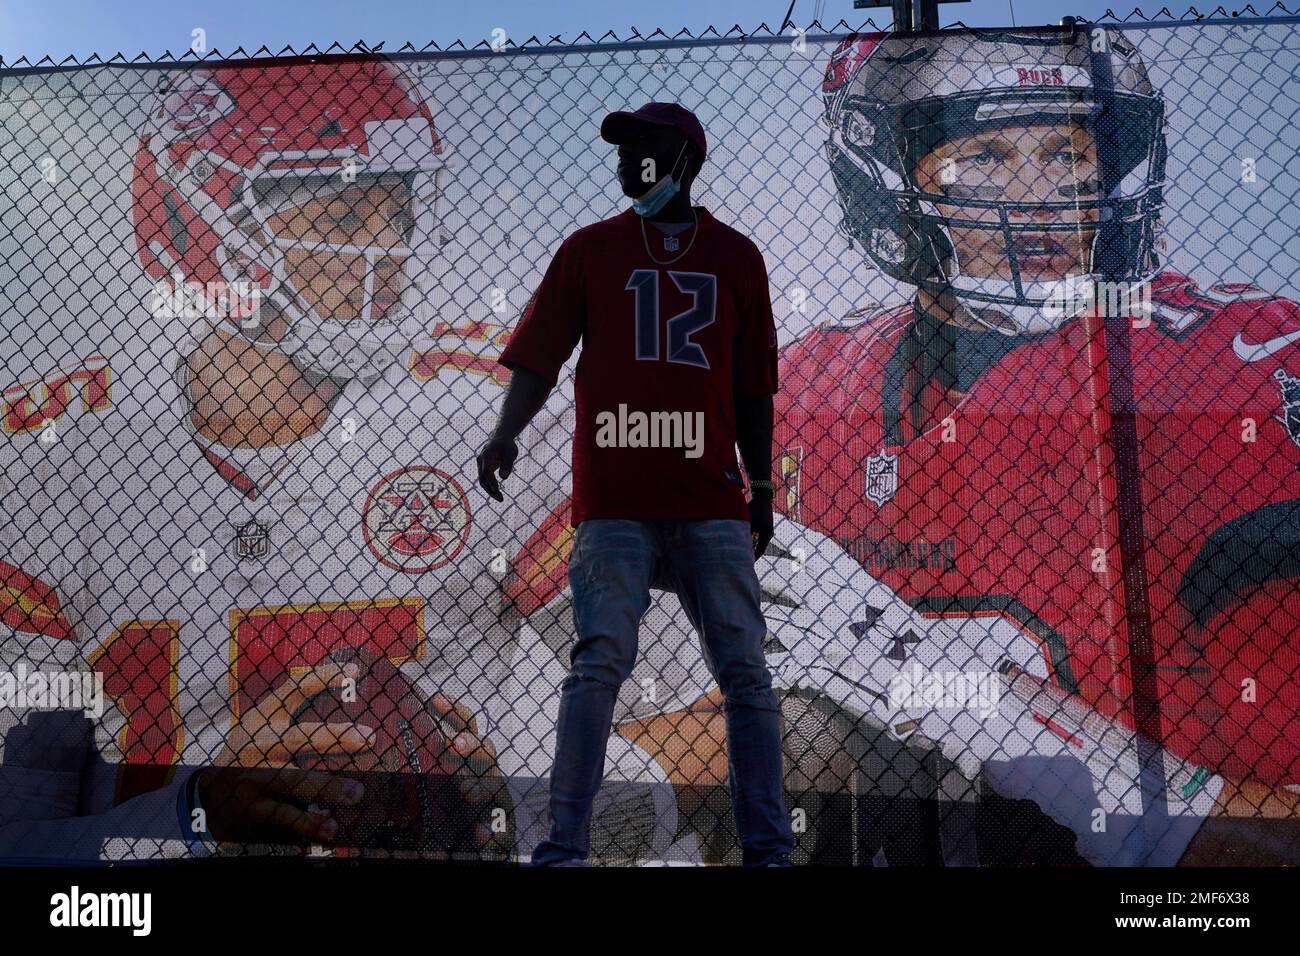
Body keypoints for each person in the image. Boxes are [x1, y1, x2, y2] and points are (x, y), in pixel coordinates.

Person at [768, 26, 1300, 862]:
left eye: (1067, 151)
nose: (1042, 196)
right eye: (983, 155)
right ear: (888, 181)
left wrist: (994, 720)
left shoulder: (1222, 372)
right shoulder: (807, 385)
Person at [478, 102, 795, 866]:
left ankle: (768, 851)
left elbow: (754, 390)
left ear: (682, 158)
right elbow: (540, 357)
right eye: (623, 151)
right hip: (615, 498)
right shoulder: (591, 249)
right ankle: (563, 848)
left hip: (709, 498)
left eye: (641, 148)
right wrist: (506, 431)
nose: (626, 163)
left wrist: (759, 489)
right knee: (598, 665)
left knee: (745, 676)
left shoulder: (737, 257)